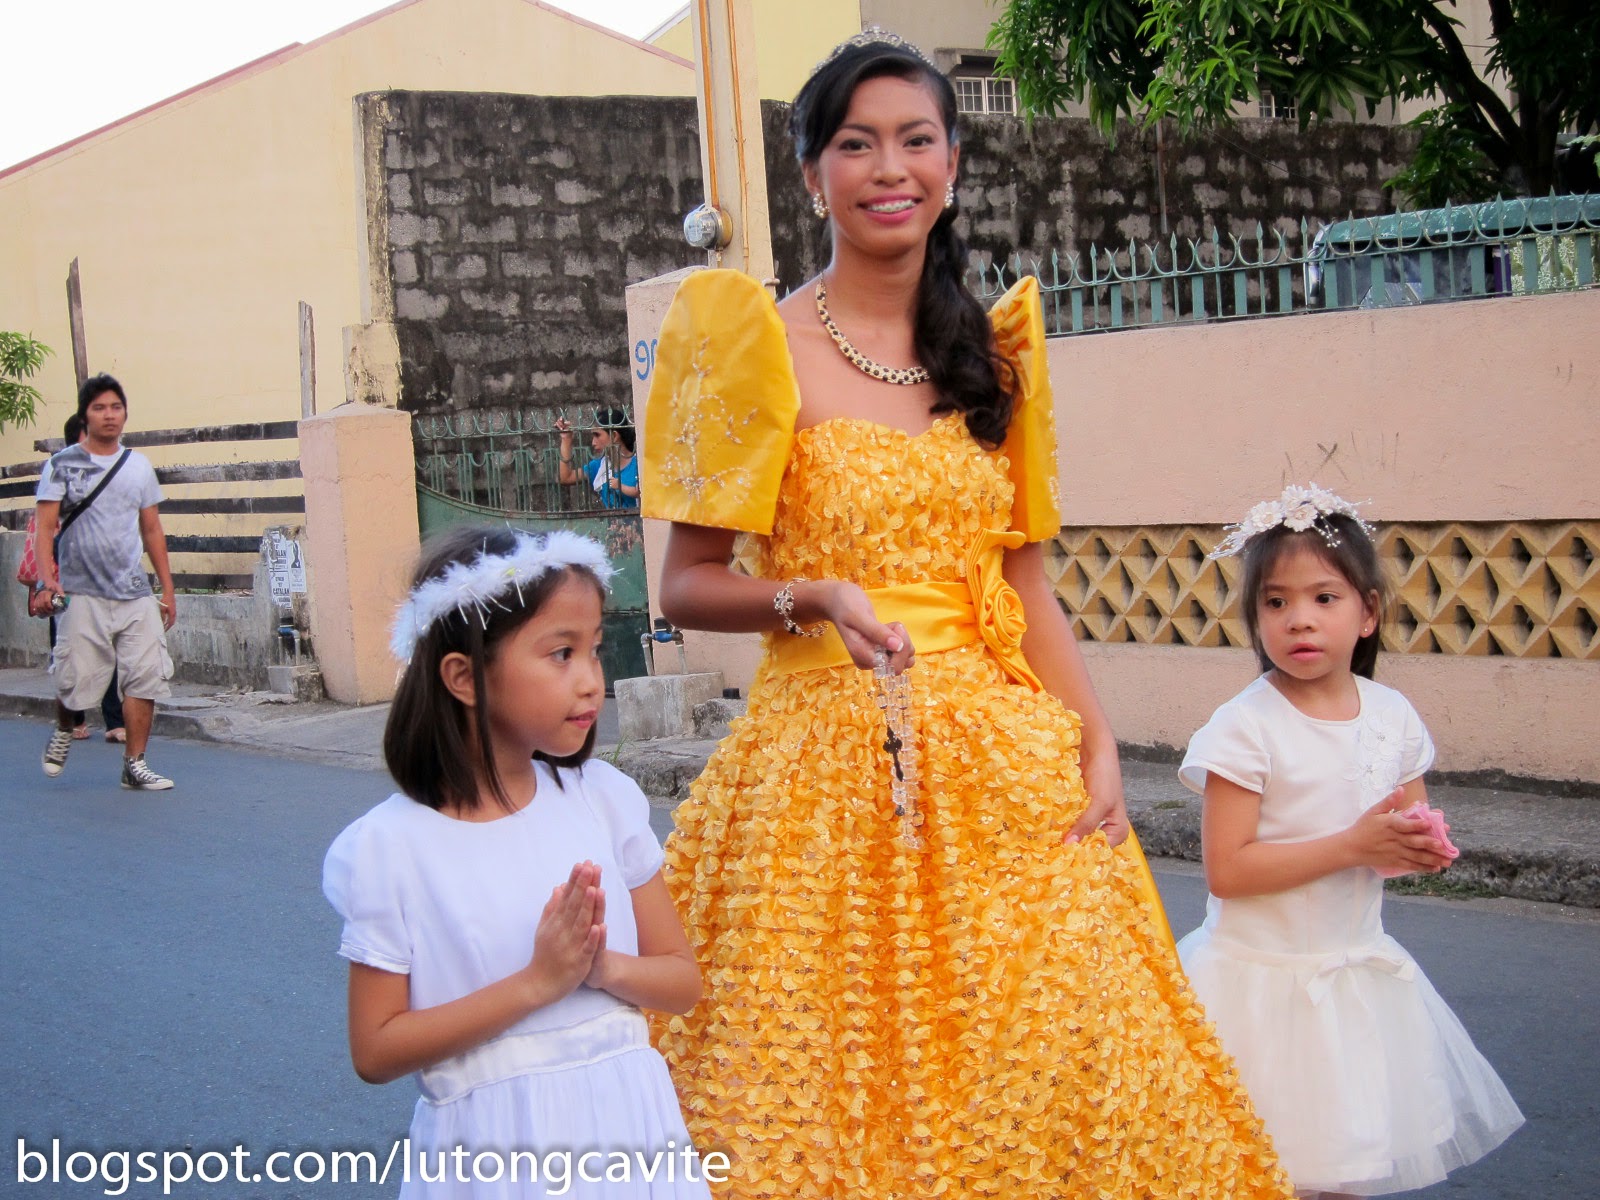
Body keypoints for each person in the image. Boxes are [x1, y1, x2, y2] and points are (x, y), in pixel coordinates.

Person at [640, 31, 1293, 1198]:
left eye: (916, 140)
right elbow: (682, 584)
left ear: (950, 163)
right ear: (811, 176)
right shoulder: (748, 343)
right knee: (828, 1082)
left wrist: (1094, 735)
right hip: (822, 772)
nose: (889, 168)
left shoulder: (994, 354)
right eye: (856, 143)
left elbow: (1022, 580)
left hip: (1007, 763)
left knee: (1062, 1065)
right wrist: (810, 598)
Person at [323, 526, 711, 1199]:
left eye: (593, 650)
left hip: (632, 1135)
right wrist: (538, 982)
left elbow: (681, 983)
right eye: (561, 654)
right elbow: (376, 1049)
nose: (593, 680)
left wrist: (603, 968)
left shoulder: (604, 802)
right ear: (464, 677)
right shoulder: (391, 849)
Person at [1176, 484, 1524, 1197]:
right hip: (1255, 989)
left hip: (1355, 987)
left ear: (1367, 611)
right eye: (1275, 602)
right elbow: (1229, 871)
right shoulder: (1246, 726)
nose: (1299, 619)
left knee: (1344, 1169)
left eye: (1323, 599)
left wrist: (1418, 846)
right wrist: (1355, 845)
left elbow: (1400, 833)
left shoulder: (1393, 717)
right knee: (1251, 1169)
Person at [32, 374, 175, 790]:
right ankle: (64, 728)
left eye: (115, 407)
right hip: (81, 593)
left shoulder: (138, 466)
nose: (109, 415)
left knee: (145, 676)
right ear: (85, 415)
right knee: (72, 682)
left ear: (125, 413)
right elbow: (45, 528)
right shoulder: (62, 465)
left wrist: (166, 588)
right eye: (99, 408)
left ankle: (135, 763)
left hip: (133, 593)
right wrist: (47, 581)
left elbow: (152, 529)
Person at [22, 413, 127, 744]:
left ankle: (113, 720)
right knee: (68, 651)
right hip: (63, 580)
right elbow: (48, 531)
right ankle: (76, 720)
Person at [556, 408, 639, 508]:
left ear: (614, 436)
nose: (593, 443)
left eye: (597, 435)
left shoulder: (638, 465)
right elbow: (565, 478)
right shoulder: (600, 466)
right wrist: (566, 439)